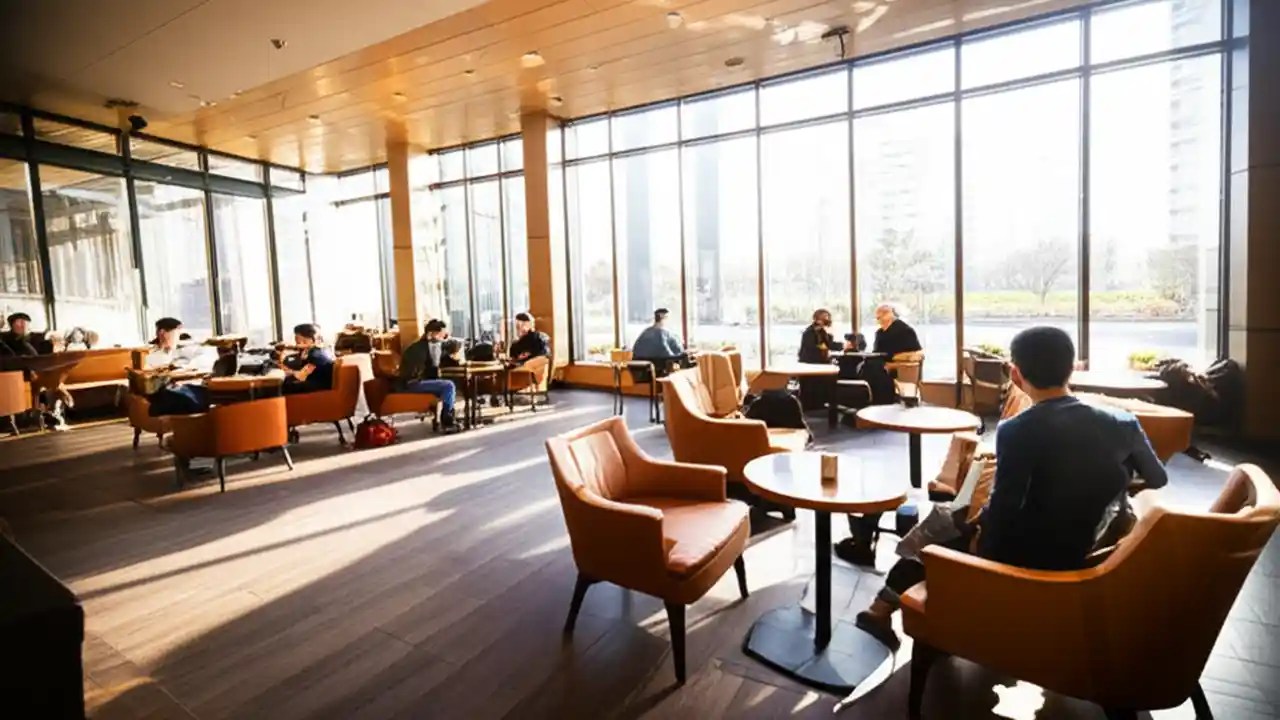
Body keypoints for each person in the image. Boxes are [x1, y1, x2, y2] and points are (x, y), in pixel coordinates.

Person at [852, 326, 1168, 649]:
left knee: (941, 531)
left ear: (1015, 374)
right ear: (1072, 368)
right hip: (1083, 552)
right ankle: (883, 608)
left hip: (1024, 561)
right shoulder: (1123, 422)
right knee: (950, 523)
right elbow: (1157, 479)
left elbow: (1003, 512)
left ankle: (878, 611)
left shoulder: (1017, 429)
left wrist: (973, 531)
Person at [397, 319, 457, 428]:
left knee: (448, 384)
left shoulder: (424, 346)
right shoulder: (419, 349)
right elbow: (428, 368)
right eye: (441, 334)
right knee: (449, 385)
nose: (444, 337)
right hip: (412, 383)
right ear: (431, 334)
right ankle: (447, 420)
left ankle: (447, 416)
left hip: (415, 381)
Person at [631, 308, 691, 377]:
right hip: (660, 370)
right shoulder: (667, 334)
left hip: (640, 373)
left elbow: (635, 352)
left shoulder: (645, 333)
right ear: (665, 318)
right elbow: (676, 352)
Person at [280, 324, 336, 395]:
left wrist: (289, 374)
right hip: (320, 383)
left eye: (297, 336)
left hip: (320, 387)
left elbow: (300, 376)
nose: (295, 339)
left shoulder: (314, 355)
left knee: (284, 385)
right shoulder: (319, 350)